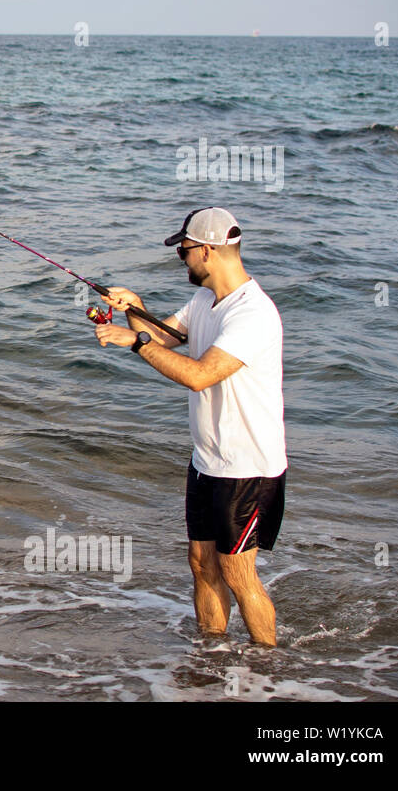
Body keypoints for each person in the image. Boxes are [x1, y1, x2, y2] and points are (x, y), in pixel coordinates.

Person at [93, 207, 286, 646]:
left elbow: (199, 373)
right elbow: (163, 337)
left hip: (248, 467)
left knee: (238, 572)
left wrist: (136, 342)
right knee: (201, 562)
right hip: (208, 462)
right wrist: (136, 309)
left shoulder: (252, 313)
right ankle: (211, 656)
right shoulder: (205, 301)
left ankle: (269, 668)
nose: (181, 259)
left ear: (206, 250)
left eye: (183, 252)